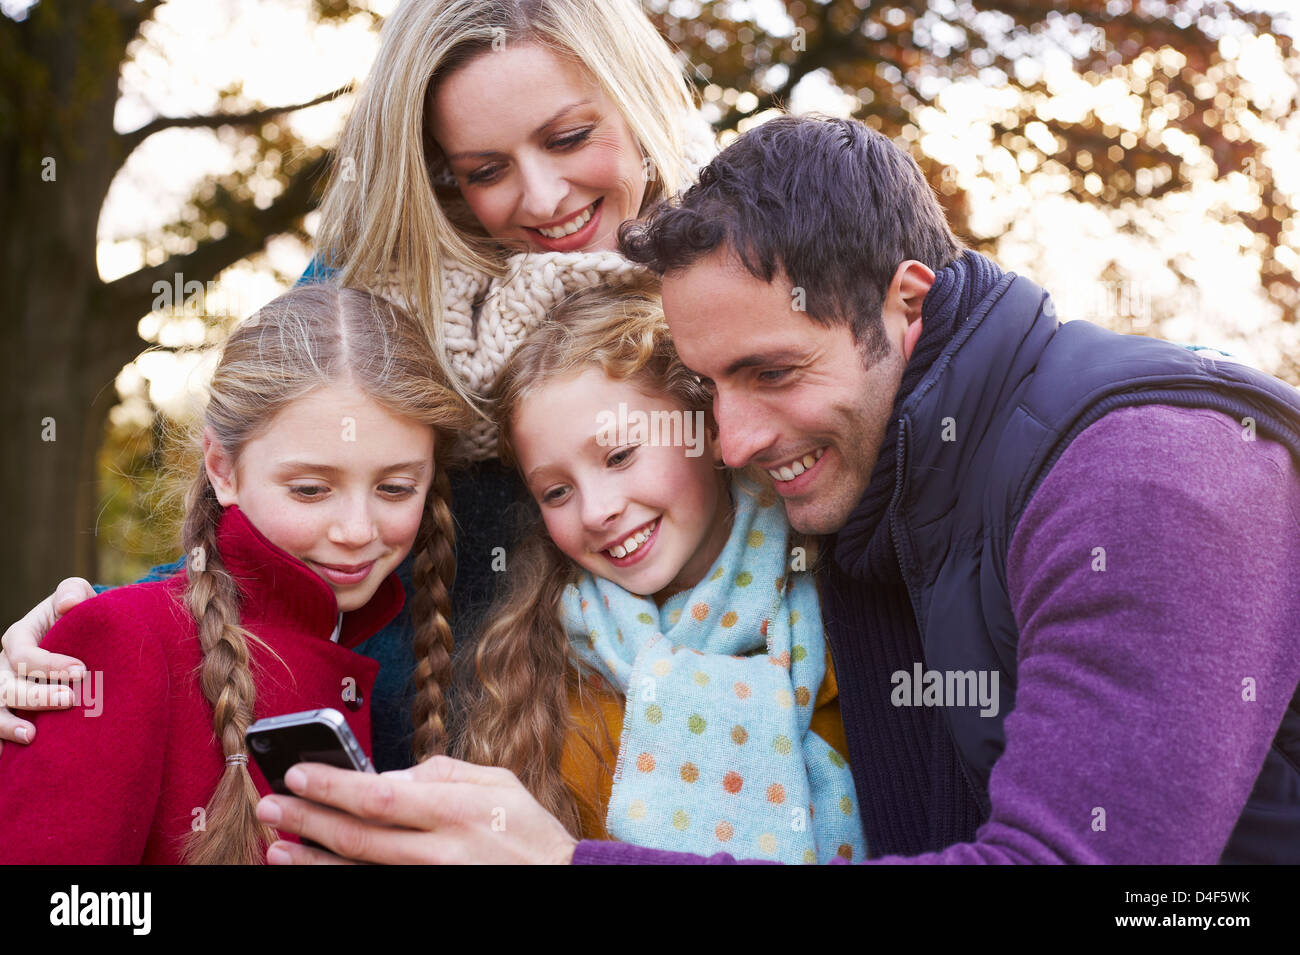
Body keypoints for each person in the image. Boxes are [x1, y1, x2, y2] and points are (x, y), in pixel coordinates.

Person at [247, 114, 1300, 865]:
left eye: (772, 373)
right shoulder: (890, 487)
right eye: (706, 390)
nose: (736, 439)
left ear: (904, 301)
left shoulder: (1149, 473)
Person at [0, 0, 717, 772]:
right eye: (485, 171)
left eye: (570, 138)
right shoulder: (375, 291)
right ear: (438, 169)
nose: (542, 199)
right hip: (403, 757)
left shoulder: (734, 273)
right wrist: (83, 629)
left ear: (636, 96)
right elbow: (259, 517)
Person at [0, 285, 469, 863]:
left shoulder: (378, 638)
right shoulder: (122, 641)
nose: (355, 529)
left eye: (395, 488)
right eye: (310, 489)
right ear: (223, 469)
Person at [453, 281, 865, 862]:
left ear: (709, 427)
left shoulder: (847, 617)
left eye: (620, 456)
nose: (597, 511)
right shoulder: (542, 686)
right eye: (556, 491)